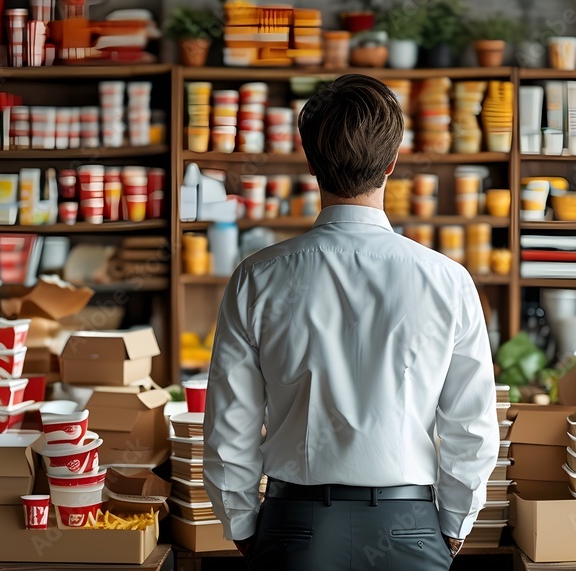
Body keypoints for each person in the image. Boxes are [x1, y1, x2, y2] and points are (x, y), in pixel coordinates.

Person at [203, 74, 499, 571]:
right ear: (392, 164)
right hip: (410, 528)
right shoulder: (448, 280)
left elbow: (229, 426)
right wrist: (451, 527)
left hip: (294, 526)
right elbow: (471, 429)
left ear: (310, 163)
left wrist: (241, 525)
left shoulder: (256, 277)